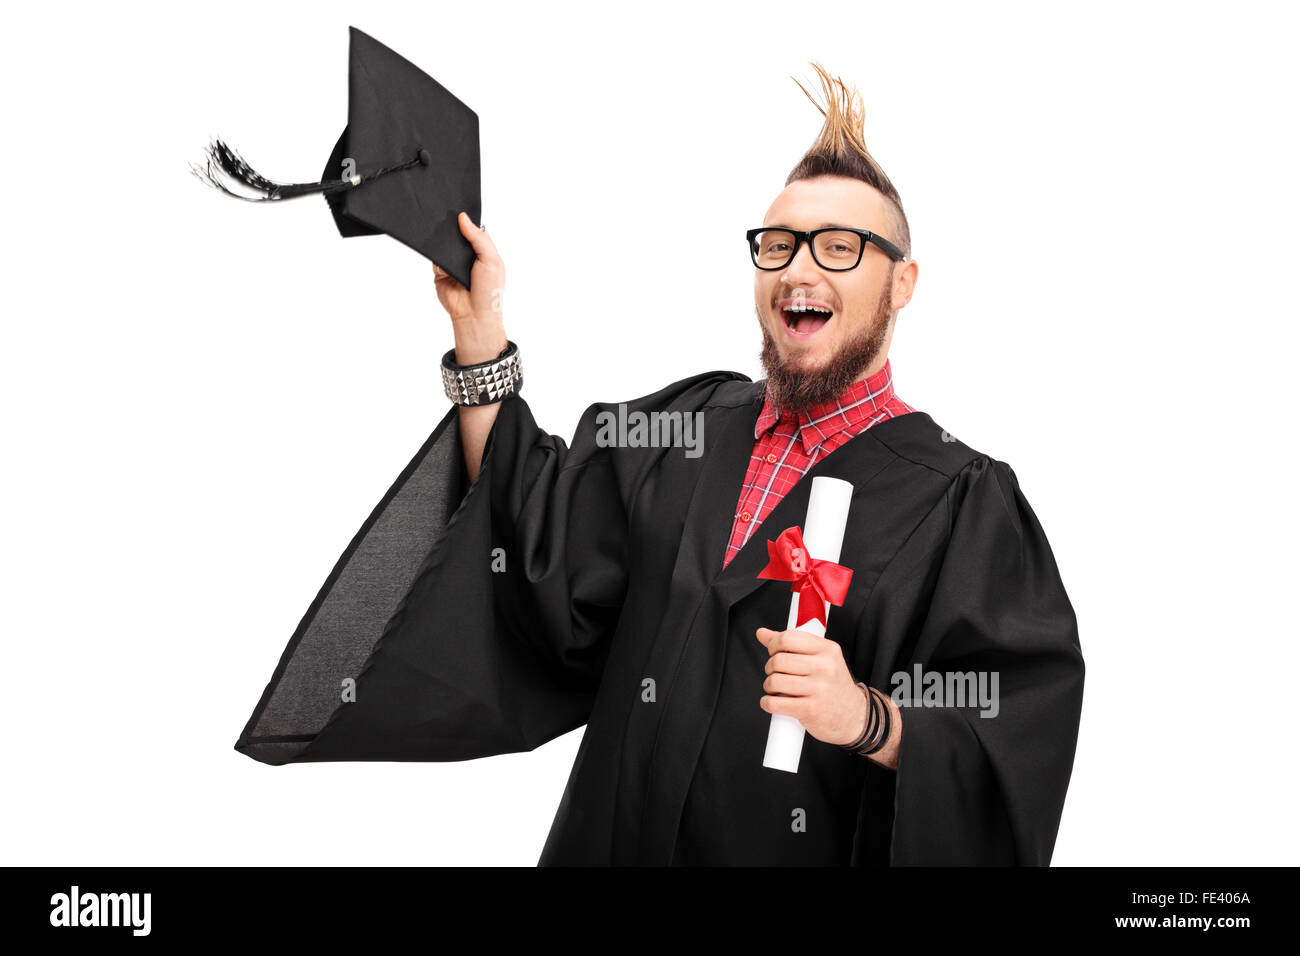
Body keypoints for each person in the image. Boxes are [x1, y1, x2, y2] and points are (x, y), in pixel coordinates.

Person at [236, 63, 1085, 866]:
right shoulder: (688, 430)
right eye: (778, 243)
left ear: (902, 284)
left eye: (838, 248)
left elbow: (1005, 717)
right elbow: (533, 532)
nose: (797, 266)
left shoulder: (962, 503)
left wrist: (865, 718)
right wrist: (479, 325)